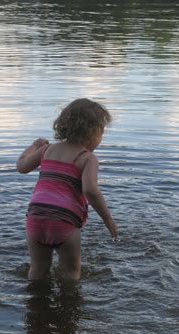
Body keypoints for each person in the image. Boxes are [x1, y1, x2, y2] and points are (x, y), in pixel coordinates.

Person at [17, 98, 118, 281]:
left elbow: (21, 167)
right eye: (101, 134)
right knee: (71, 274)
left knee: (38, 270)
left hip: (36, 217)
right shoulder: (87, 158)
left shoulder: (46, 150)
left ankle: (35, 303)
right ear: (93, 133)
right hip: (63, 221)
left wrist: (34, 146)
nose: (100, 140)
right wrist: (108, 219)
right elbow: (90, 190)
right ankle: (69, 306)